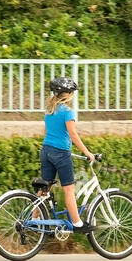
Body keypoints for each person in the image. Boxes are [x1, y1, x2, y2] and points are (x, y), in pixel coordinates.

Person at [42, 77, 99, 233]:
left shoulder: (49, 110)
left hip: (46, 150)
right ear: (67, 94)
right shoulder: (67, 111)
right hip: (60, 153)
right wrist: (88, 153)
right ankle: (77, 223)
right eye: (72, 92)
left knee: (44, 187)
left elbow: (47, 132)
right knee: (69, 189)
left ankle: (35, 219)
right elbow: (73, 134)